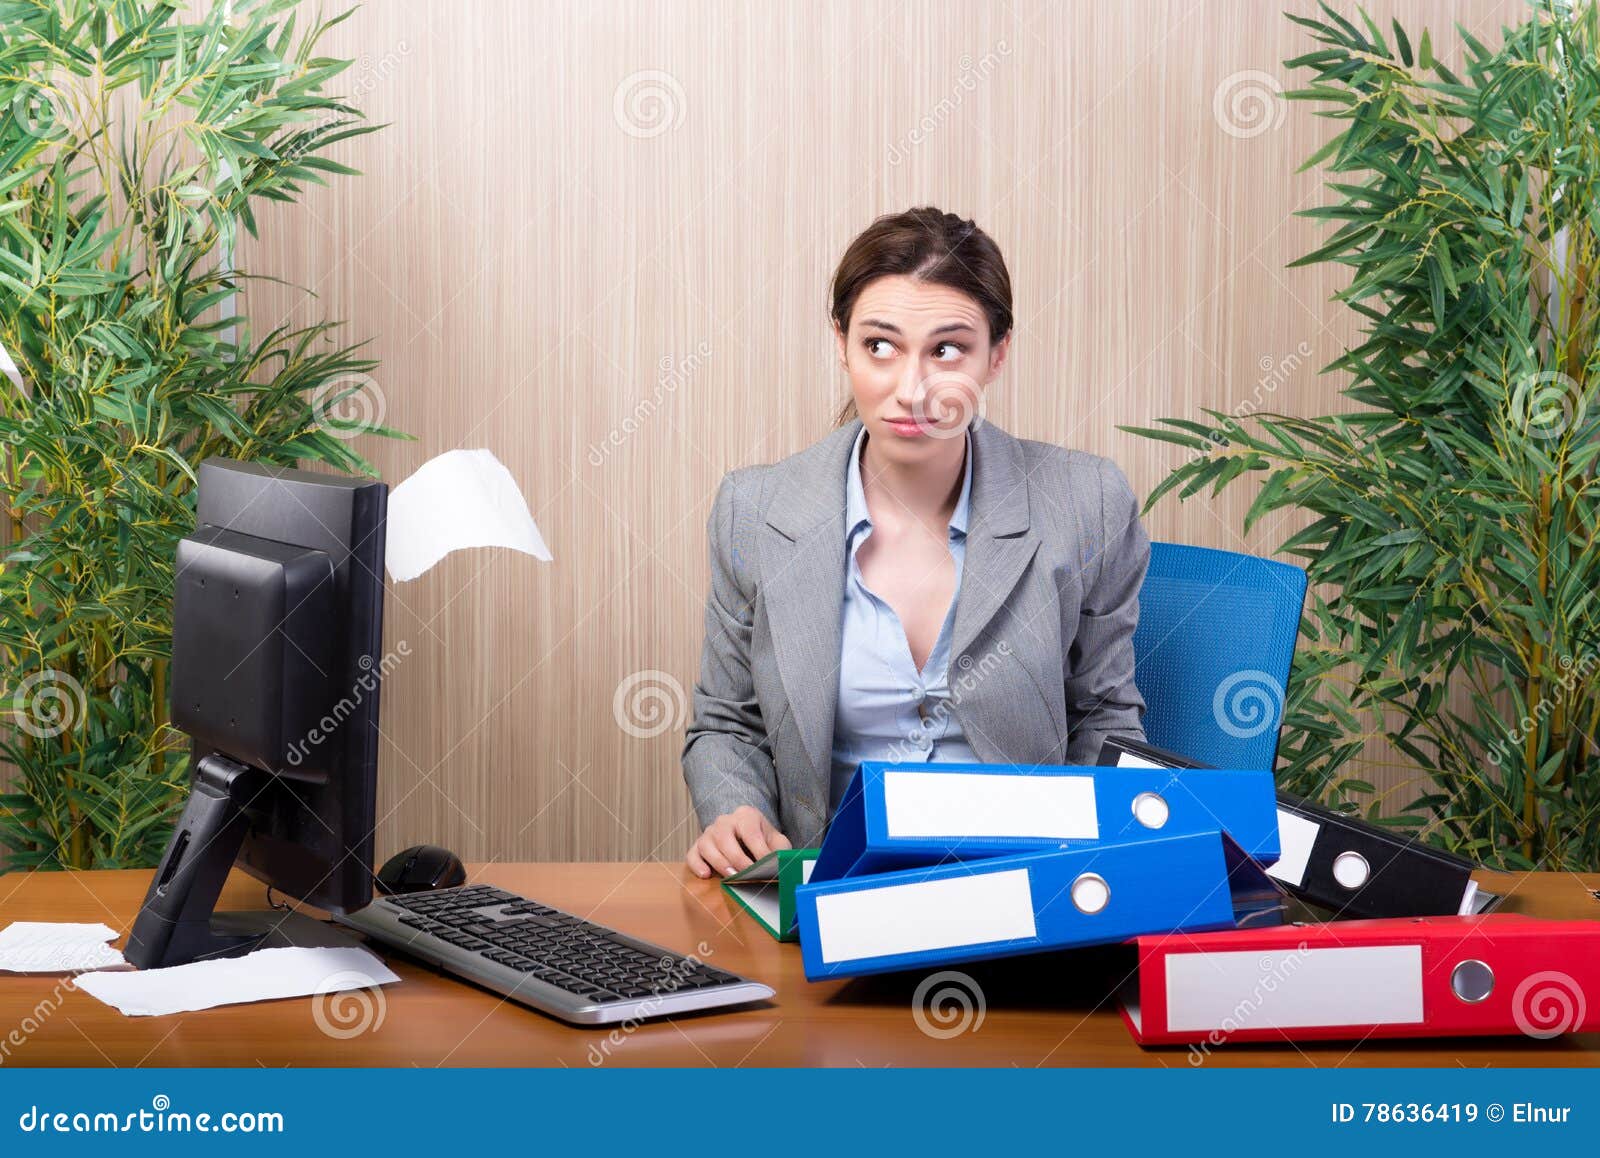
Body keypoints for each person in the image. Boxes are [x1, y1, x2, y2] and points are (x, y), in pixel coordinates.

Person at [681, 206, 1150, 879]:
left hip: (1024, 886)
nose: (912, 390)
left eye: (947, 350)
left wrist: (1079, 872)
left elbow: (1105, 720)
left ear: (997, 355)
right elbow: (727, 723)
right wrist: (736, 810)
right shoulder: (753, 511)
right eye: (881, 346)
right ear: (842, 344)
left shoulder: (1086, 503)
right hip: (827, 892)